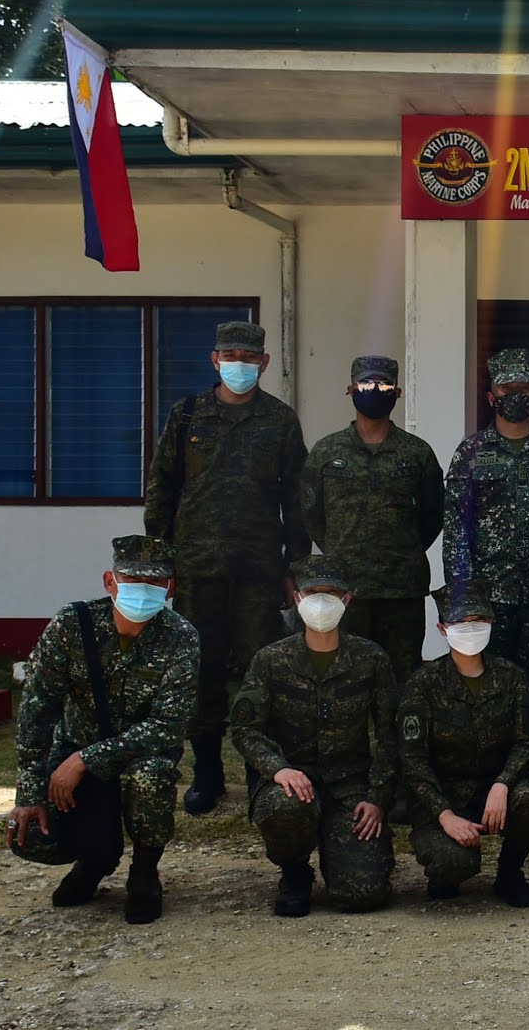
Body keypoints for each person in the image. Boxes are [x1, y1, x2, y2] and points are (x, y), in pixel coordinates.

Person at [144, 319, 309, 816]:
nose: (239, 364)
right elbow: (161, 487)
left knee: (263, 672)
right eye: (230, 355)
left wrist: (294, 567)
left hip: (258, 570)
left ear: (263, 363)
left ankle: (262, 770)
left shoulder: (279, 421)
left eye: (249, 356)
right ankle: (208, 772)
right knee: (202, 671)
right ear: (215, 360)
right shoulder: (188, 414)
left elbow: (295, 499)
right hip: (197, 568)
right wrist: (160, 559)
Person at [5, 535, 200, 925]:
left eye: (154, 583)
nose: (143, 591)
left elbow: (167, 726)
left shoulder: (181, 637)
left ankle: (145, 871)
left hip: (140, 756)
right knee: (35, 839)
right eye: (132, 581)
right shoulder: (72, 625)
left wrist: (86, 759)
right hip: (76, 749)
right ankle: (94, 861)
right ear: (110, 582)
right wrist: (29, 791)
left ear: (169, 588)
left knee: (148, 778)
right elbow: (37, 709)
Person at [230, 556, 401, 917]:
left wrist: (378, 798)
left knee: (363, 895)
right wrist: (277, 769)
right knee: (285, 807)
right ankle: (294, 872)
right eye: (312, 592)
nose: (321, 602)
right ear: (297, 597)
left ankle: (338, 847)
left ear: (348, 599)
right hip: (293, 780)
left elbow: (390, 736)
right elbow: (245, 730)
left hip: (349, 784)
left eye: (332, 593)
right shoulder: (271, 660)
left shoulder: (371, 659)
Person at [397, 596, 529, 906]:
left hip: (493, 791)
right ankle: (447, 869)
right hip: (443, 798)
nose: (470, 629)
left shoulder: (511, 677)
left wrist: (503, 784)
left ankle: (510, 872)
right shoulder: (423, 684)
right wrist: (444, 815)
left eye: (478, 621)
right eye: (460, 622)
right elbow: (413, 760)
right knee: (452, 866)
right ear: (443, 629)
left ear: (491, 625)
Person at [303, 354, 445, 689]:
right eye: (367, 383)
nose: (375, 390)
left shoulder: (417, 453)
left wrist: (401, 549)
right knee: (345, 678)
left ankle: (397, 743)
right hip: (345, 588)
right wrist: (343, 550)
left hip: (401, 588)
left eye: (384, 384)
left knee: (402, 677)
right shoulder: (326, 451)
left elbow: (433, 515)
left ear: (397, 393)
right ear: (351, 390)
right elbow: (311, 514)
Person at [444, 347, 529, 724]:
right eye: (506, 387)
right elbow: (456, 527)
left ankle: (528, 763)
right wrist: (460, 593)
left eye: (523, 388)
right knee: (485, 675)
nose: (515, 395)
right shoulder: (471, 452)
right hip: (488, 593)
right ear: (490, 397)